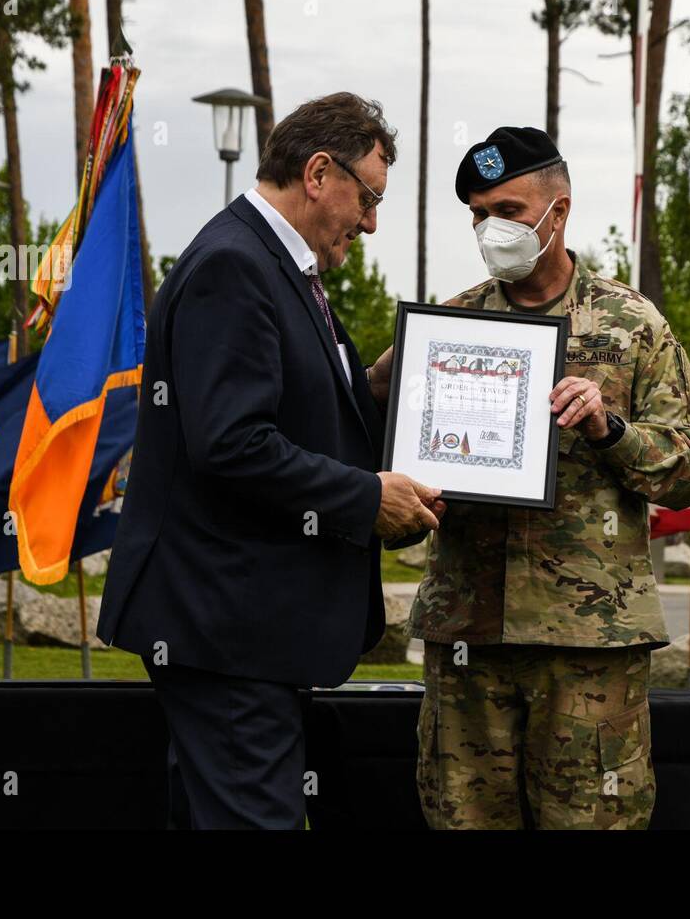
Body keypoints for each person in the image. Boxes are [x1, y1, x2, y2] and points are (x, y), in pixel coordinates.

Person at [97, 92, 443, 829]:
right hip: (226, 628)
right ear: (319, 172)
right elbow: (231, 443)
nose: (372, 222)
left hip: (238, 628)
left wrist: (396, 382)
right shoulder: (236, 265)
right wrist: (364, 497)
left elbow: (308, 410)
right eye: (369, 197)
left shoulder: (278, 267)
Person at [368, 126, 690, 829]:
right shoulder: (455, 324)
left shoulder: (631, 324)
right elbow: (384, 436)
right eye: (477, 213)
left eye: (507, 209)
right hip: (470, 636)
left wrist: (610, 431)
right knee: (462, 818)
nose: (489, 227)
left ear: (557, 212)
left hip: (588, 646)